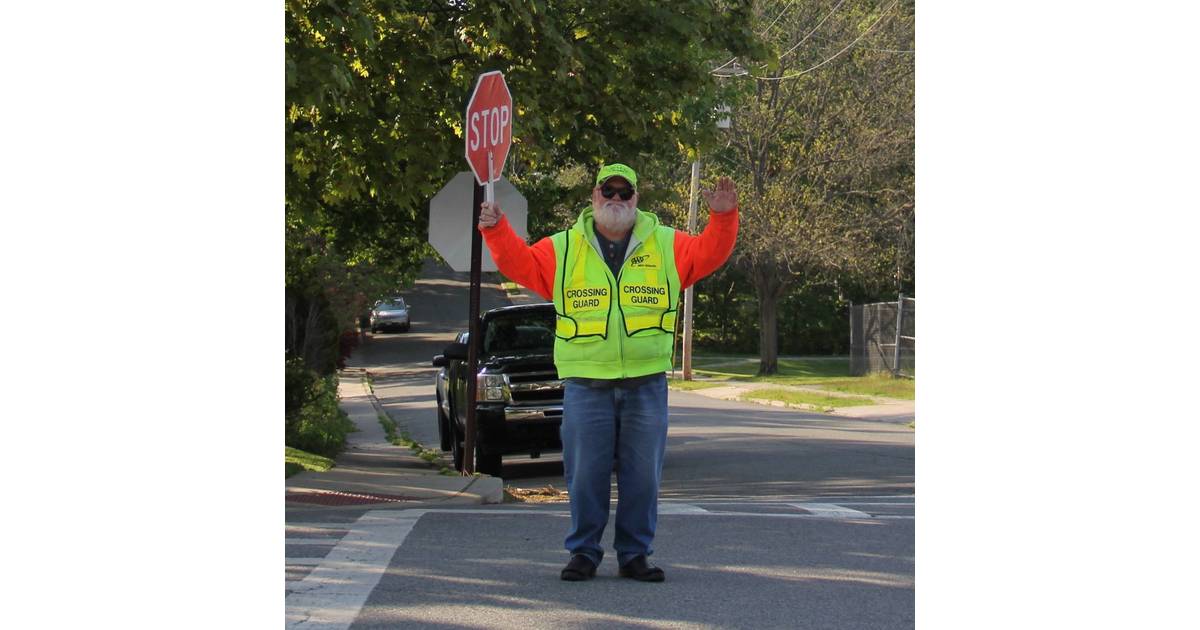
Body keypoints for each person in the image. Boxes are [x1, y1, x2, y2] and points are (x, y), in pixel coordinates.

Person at [478, 163, 739, 582]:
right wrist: (496, 229)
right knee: (584, 475)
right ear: (594, 197)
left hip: (646, 382)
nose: (616, 200)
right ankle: (583, 552)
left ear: (636, 199)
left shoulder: (667, 245)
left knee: (642, 477)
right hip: (586, 384)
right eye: (608, 192)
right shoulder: (563, 248)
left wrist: (723, 217)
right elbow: (518, 263)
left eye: (625, 193)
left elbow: (711, 252)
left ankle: (635, 554)